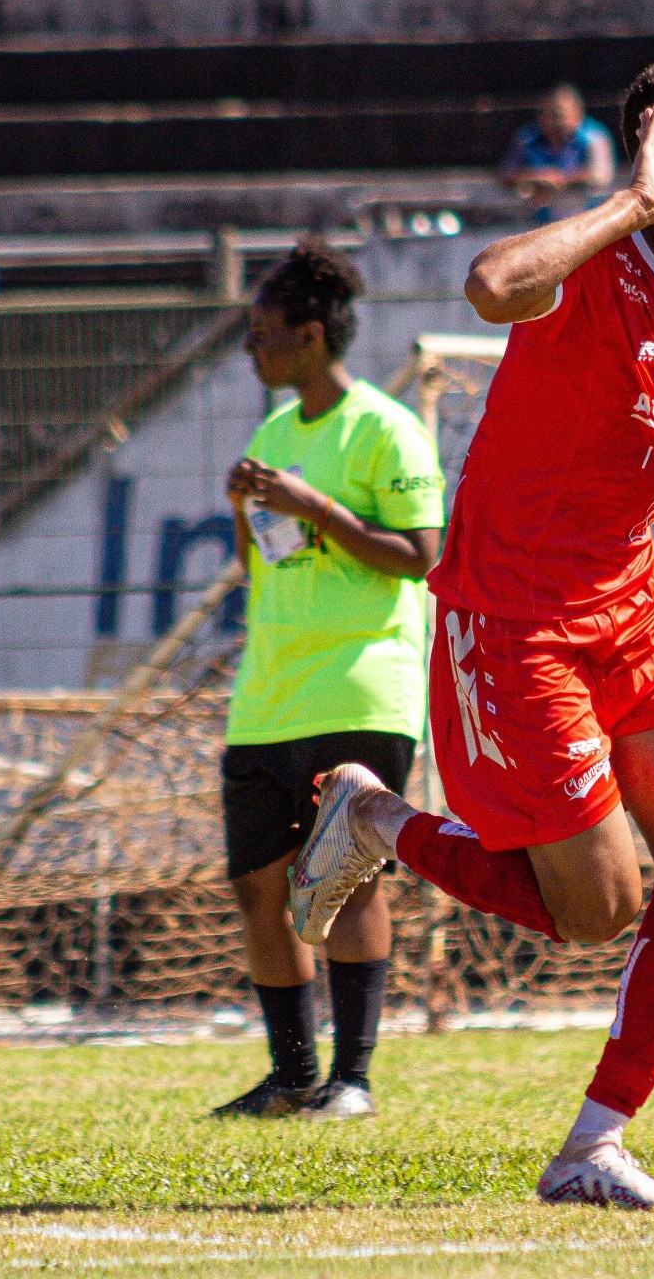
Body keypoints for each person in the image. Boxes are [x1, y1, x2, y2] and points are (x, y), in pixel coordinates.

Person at [286, 52, 654, 1210]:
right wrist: (628, 207)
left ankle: (592, 1147)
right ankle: (376, 817)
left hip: (635, 597)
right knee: (595, 911)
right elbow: (491, 282)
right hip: (514, 613)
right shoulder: (600, 260)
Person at [209, 237, 446, 1119]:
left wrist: (316, 507)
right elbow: (260, 567)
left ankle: (354, 1079)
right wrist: (246, 509)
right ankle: (291, 1075)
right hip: (268, 696)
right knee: (259, 886)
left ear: (311, 338)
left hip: (360, 686)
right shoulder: (274, 433)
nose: (250, 348)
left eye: (262, 333)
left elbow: (422, 557)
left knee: (344, 878)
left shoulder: (386, 427)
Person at [499, 83, 616, 207]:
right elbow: (506, 175)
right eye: (549, 116)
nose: (556, 123)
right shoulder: (527, 137)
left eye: (560, 116)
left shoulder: (595, 136)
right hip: (538, 215)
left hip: (586, 212)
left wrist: (560, 179)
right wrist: (537, 176)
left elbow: (602, 177)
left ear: (577, 115)